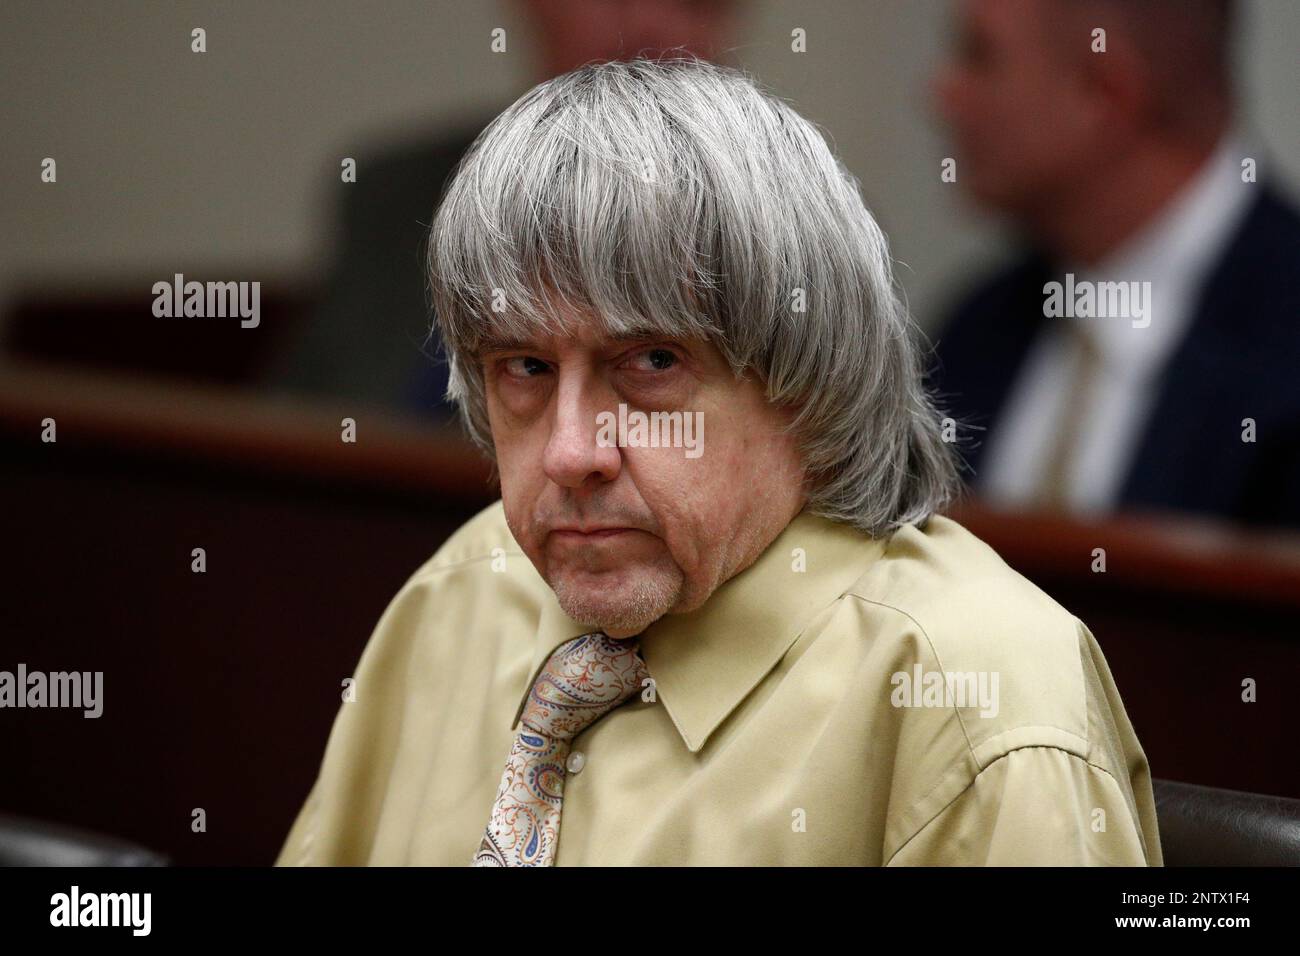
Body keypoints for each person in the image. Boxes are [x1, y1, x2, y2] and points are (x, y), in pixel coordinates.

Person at [274, 56, 1162, 866]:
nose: (571, 452)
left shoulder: (975, 698)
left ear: (806, 378)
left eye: (652, 363)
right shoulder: (460, 597)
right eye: (526, 369)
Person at [264, 0, 741, 420]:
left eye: (695, 2)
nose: (649, 25)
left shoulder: (763, 228)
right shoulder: (395, 193)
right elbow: (299, 422)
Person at [930, 0, 1300, 526]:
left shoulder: (1285, 342)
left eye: (980, 56)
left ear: (1105, 91)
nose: (943, 94)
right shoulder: (974, 330)